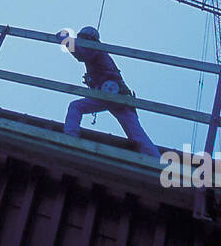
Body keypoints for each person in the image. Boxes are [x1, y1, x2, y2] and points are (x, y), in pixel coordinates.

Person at [60, 25, 159, 158]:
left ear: (87, 39)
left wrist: (65, 40)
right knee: (136, 133)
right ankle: (154, 160)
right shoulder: (100, 52)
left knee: (75, 107)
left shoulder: (94, 49)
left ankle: (70, 139)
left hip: (109, 95)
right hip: (119, 96)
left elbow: (81, 54)